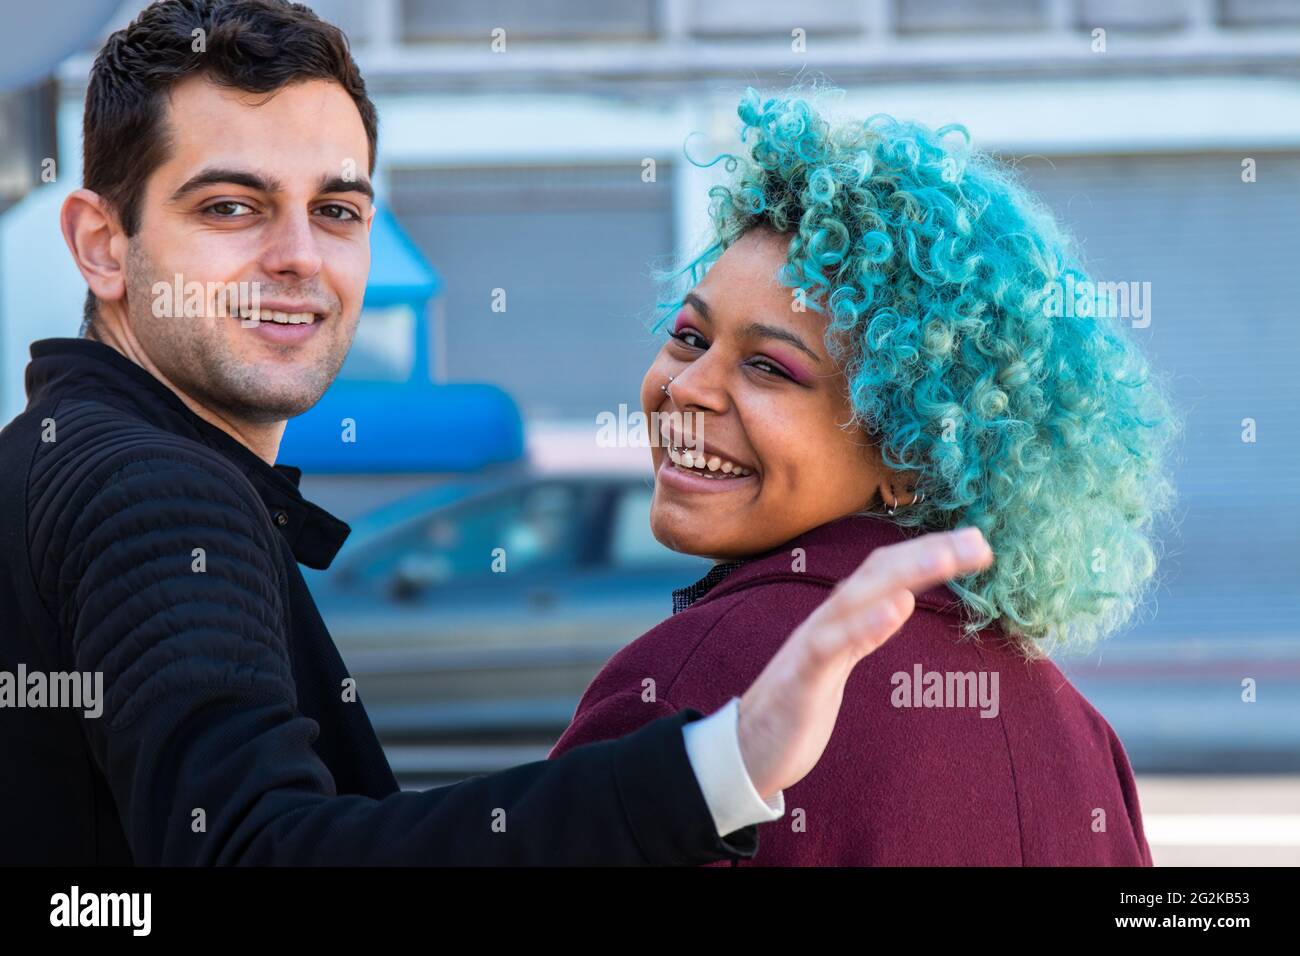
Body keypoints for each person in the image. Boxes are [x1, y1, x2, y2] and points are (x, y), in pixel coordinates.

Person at [0, 1, 993, 865]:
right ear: (102, 245)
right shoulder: (150, 484)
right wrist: (718, 766)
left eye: (337, 210)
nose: (300, 257)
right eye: (230, 205)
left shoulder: (68, 456)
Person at [550, 89, 1179, 865]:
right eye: (688, 336)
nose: (685, 388)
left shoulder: (696, 691)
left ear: (910, 456)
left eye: (767, 367)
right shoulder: (1077, 736)